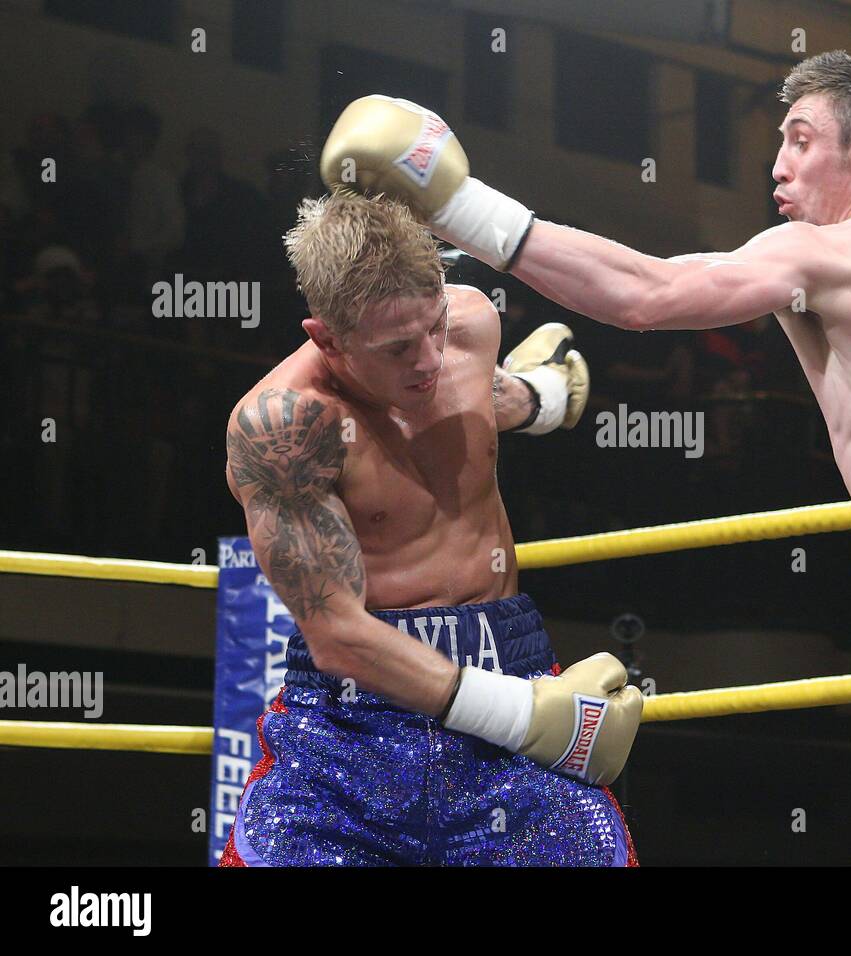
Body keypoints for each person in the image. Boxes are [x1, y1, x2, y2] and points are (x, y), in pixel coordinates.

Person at [319, 49, 851, 867]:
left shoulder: (822, 254)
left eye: (799, 139)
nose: (777, 164)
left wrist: (461, 206)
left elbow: (645, 295)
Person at [219, 192, 640, 867]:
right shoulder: (285, 428)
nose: (427, 360)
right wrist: (529, 718)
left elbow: (481, 395)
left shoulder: (470, 325)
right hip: (351, 721)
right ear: (326, 337)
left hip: (506, 657)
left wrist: (545, 398)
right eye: (396, 347)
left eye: (433, 326)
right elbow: (339, 638)